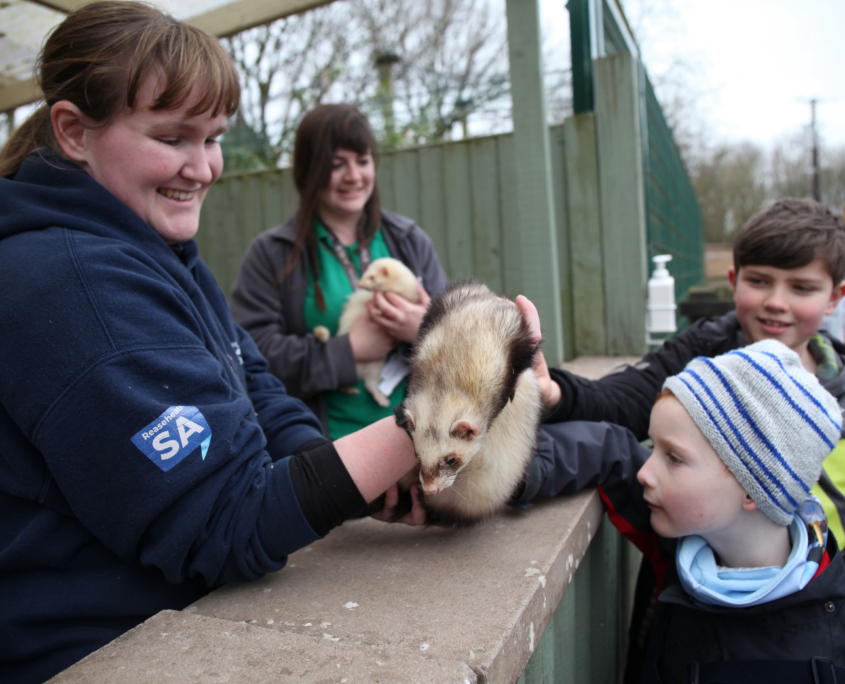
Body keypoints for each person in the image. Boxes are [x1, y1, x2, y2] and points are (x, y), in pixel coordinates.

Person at [0, 4, 425, 682]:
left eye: (214, 138)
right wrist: (427, 430)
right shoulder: (71, 285)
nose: (202, 168)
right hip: (98, 652)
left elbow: (255, 386)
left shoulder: (157, 246)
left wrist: (346, 475)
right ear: (74, 132)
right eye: (173, 137)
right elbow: (224, 522)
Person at [532, 340, 845, 683]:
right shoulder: (689, 535)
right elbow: (612, 452)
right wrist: (507, 467)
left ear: (751, 488)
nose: (644, 473)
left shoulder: (827, 637)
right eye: (654, 448)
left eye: (674, 458)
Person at [538, 199, 845, 540]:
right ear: (734, 279)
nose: (776, 301)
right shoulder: (702, 350)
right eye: (759, 281)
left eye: (801, 287)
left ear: (835, 296)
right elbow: (628, 396)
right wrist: (555, 393)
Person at [229, 105, 449, 439]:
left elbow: (457, 339)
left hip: (418, 444)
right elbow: (251, 357)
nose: (354, 176)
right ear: (308, 170)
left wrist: (422, 330)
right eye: (336, 164)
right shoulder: (271, 254)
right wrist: (348, 350)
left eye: (363, 161)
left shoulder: (407, 240)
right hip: (326, 453)